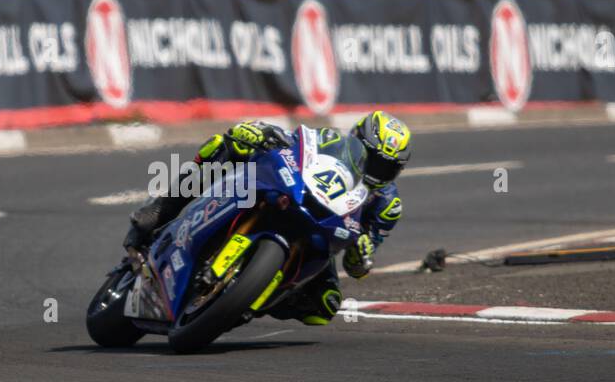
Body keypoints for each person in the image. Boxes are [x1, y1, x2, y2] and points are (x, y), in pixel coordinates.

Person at [123, 111, 411, 325]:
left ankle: (246, 298)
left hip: (323, 232)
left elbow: (357, 265)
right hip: (293, 195)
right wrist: (258, 132)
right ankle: (162, 208)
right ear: (357, 140)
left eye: (386, 167)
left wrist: (362, 255)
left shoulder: (387, 205)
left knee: (325, 306)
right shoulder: (330, 139)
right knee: (227, 144)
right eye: (372, 159)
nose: (375, 170)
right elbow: (295, 140)